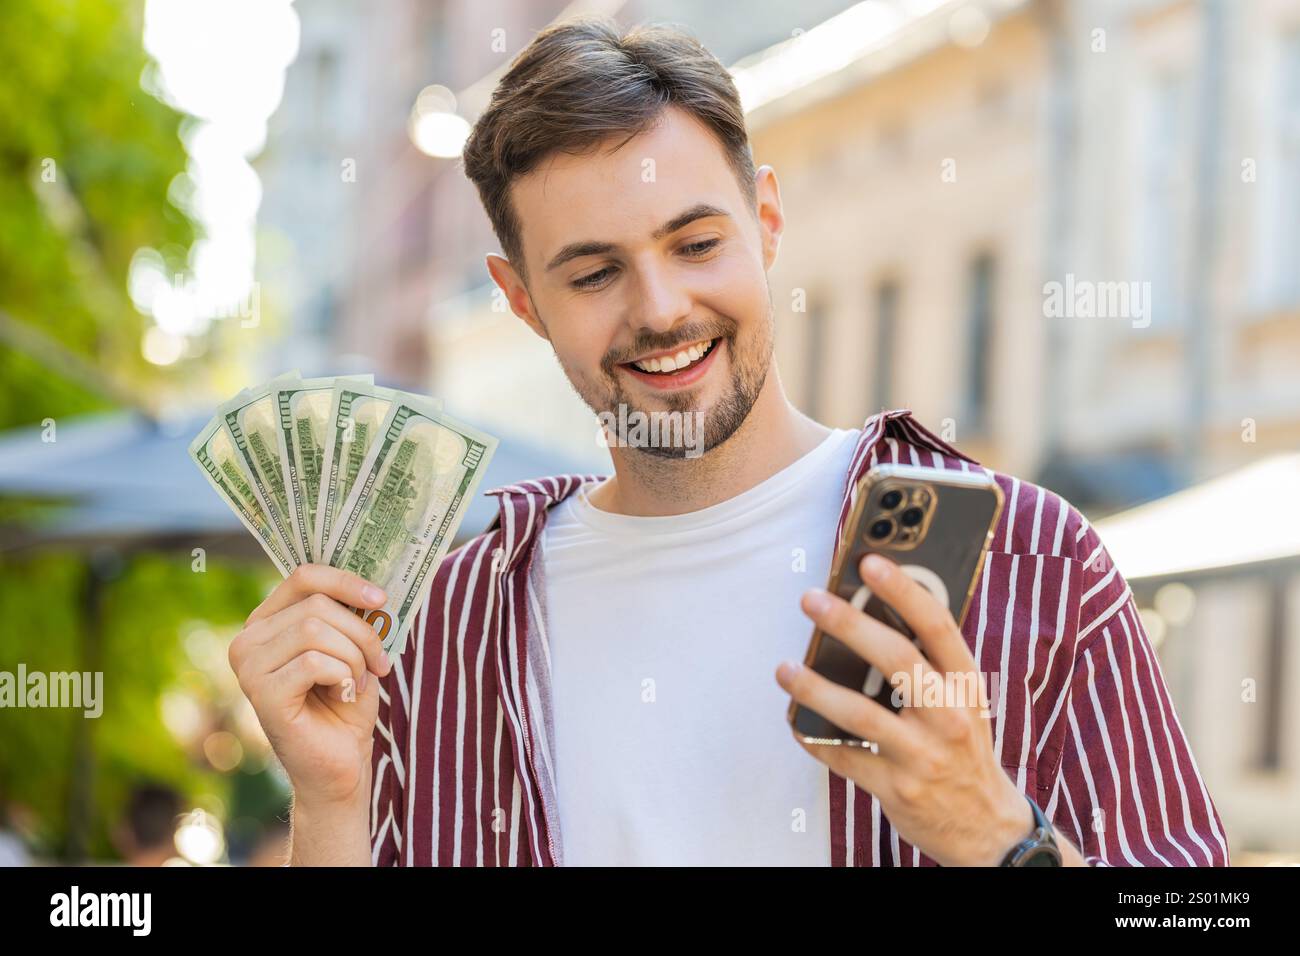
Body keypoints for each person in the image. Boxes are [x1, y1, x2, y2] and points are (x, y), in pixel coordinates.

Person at [229, 17, 1228, 866]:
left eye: (696, 243)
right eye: (593, 272)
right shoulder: (454, 615)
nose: (661, 308)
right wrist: (325, 803)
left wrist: (1001, 834)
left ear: (767, 219)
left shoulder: (1033, 561)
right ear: (521, 301)